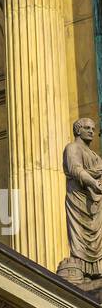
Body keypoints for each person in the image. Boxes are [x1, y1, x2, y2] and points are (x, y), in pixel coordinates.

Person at [63, 117, 102, 278]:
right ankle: (81, 268)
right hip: (79, 198)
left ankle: (97, 270)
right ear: (78, 130)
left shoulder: (95, 156)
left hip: (95, 202)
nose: (91, 131)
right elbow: (75, 169)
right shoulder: (72, 148)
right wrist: (92, 182)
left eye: (93, 129)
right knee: (79, 234)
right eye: (87, 128)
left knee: (96, 238)